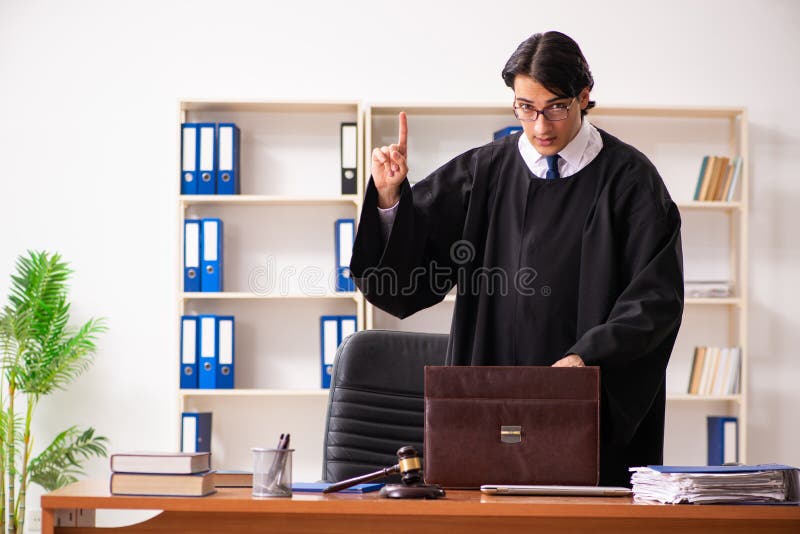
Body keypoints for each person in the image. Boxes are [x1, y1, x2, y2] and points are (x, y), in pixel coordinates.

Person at [349, 31, 684, 487]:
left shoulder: (631, 181)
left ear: (585, 97)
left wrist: (587, 358)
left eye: (556, 107)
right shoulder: (483, 171)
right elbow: (408, 277)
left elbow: (656, 298)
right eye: (526, 108)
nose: (541, 126)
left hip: (588, 396)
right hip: (490, 392)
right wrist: (390, 200)